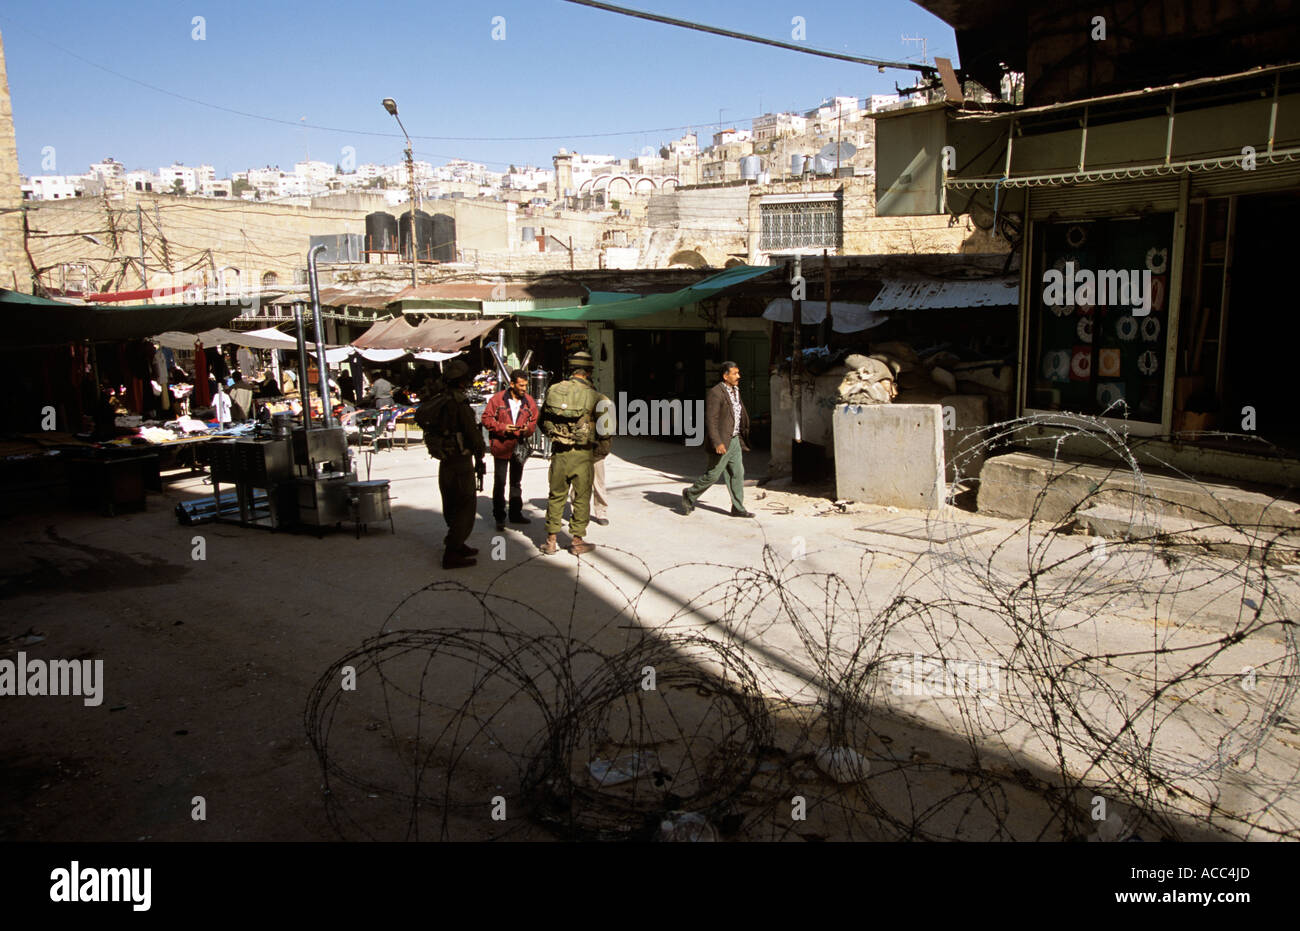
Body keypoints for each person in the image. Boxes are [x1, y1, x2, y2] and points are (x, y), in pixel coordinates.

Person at [420, 359, 486, 569]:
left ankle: (458, 544)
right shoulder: (458, 403)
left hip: (446, 460)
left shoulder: (439, 400)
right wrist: (480, 454)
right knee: (466, 505)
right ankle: (452, 550)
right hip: (460, 460)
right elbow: (473, 434)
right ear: (462, 381)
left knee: (451, 502)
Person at [540, 349, 606, 555]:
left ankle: (551, 541)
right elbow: (607, 430)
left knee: (556, 495)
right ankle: (577, 542)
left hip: (559, 453)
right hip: (583, 454)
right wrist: (599, 453)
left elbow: (542, 421)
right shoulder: (595, 396)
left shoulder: (553, 390)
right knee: (581, 498)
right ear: (588, 372)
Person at [681, 361, 755, 518]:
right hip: (722, 441)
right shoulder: (716, 392)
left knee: (738, 473)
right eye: (735, 373)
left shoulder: (735, 390)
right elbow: (711, 420)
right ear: (725, 376)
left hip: (734, 440)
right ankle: (689, 495)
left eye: (738, 373)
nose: (738, 376)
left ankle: (737, 507)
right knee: (713, 475)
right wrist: (717, 442)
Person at [481, 368, 539, 532]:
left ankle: (515, 513)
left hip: (518, 447)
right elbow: (486, 418)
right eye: (520, 385)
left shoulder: (528, 401)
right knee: (500, 482)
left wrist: (527, 430)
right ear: (511, 384)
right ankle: (499, 517)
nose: (523, 389)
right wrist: (502, 428)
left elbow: (533, 421)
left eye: (525, 386)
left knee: (516, 482)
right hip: (501, 446)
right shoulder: (497, 399)